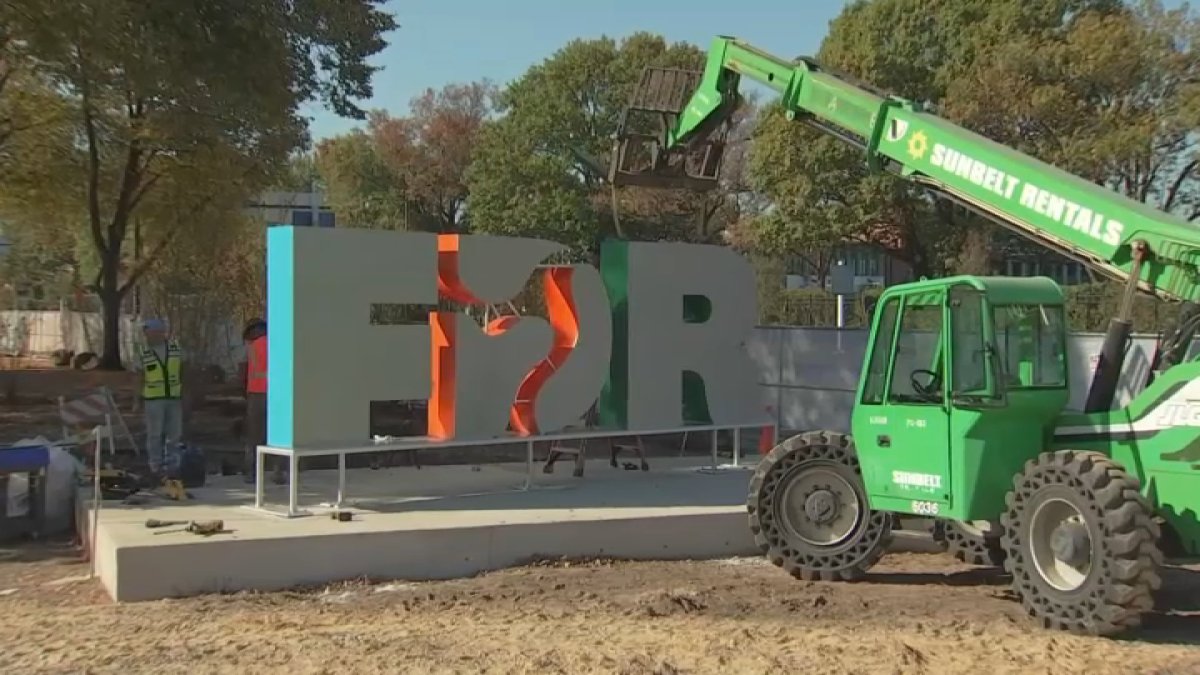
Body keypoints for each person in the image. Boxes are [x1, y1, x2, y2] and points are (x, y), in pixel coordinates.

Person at [138, 318, 184, 480]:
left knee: (174, 434)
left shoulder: (175, 349)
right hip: (153, 399)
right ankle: (155, 467)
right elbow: (138, 377)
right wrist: (136, 399)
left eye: (149, 332)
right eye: (146, 332)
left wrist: (187, 394)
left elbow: (183, 371)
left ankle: (173, 466)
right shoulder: (143, 352)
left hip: (174, 398)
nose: (147, 335)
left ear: (160, 332)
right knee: (154, 434)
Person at [242, 318, 284, 484]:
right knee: (277, 435)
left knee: (254, 436)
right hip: (275, 394)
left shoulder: (252, 347)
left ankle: (251, 473)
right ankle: (278, 471)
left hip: (256, 395)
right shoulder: (276, 344)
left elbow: (250, 372)